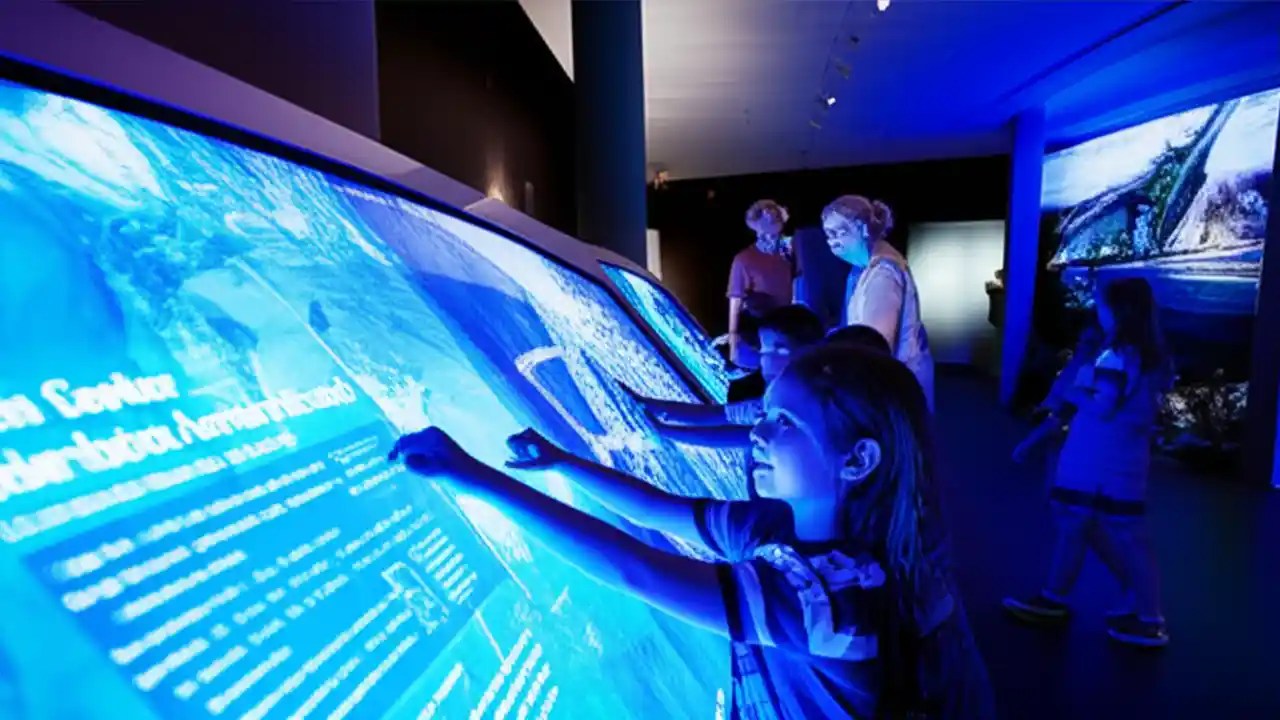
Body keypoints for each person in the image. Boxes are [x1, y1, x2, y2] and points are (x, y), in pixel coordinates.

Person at [389, 346, 993, 718]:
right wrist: (559, 461)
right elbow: (654, 509)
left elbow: (637, 569)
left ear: (857, 461)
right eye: (761, 416)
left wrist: (473, 477)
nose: (757, 435)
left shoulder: (824, 601)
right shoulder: (772, 526)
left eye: (783, 423)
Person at [1003, 278, 1173, 648]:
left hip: (1100, 460)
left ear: (1118, 310)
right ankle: (1064, 597)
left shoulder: (1116, 354)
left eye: (1101, 304)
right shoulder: (1144, 355)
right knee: (1089, 525)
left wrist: (1075, 388)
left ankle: (1147, 617)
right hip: (1117, 459)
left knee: (1113, 532)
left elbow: (1102, 405)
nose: (1098, 312)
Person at [629, 304, 826, 450]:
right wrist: (646, 405)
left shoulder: (810, 407)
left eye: (779, 350)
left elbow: (735, 436)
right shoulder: (766, 404)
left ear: (809, 353)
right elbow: (714, 415)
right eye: (764, 351)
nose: (766, 360)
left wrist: (665, 431)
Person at [822, 196, 934, 410]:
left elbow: (874, 345)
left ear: (863, 228)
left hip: (891, 388)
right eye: (828, 234)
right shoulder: (865, 268)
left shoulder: (882, 273)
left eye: (840, 231)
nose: (832, 240)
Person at [728, 200, 796, 366]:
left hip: (793, 330)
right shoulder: (744, 259)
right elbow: (735, 299)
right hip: (762, 335)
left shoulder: (791, 253)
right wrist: (733, 336)